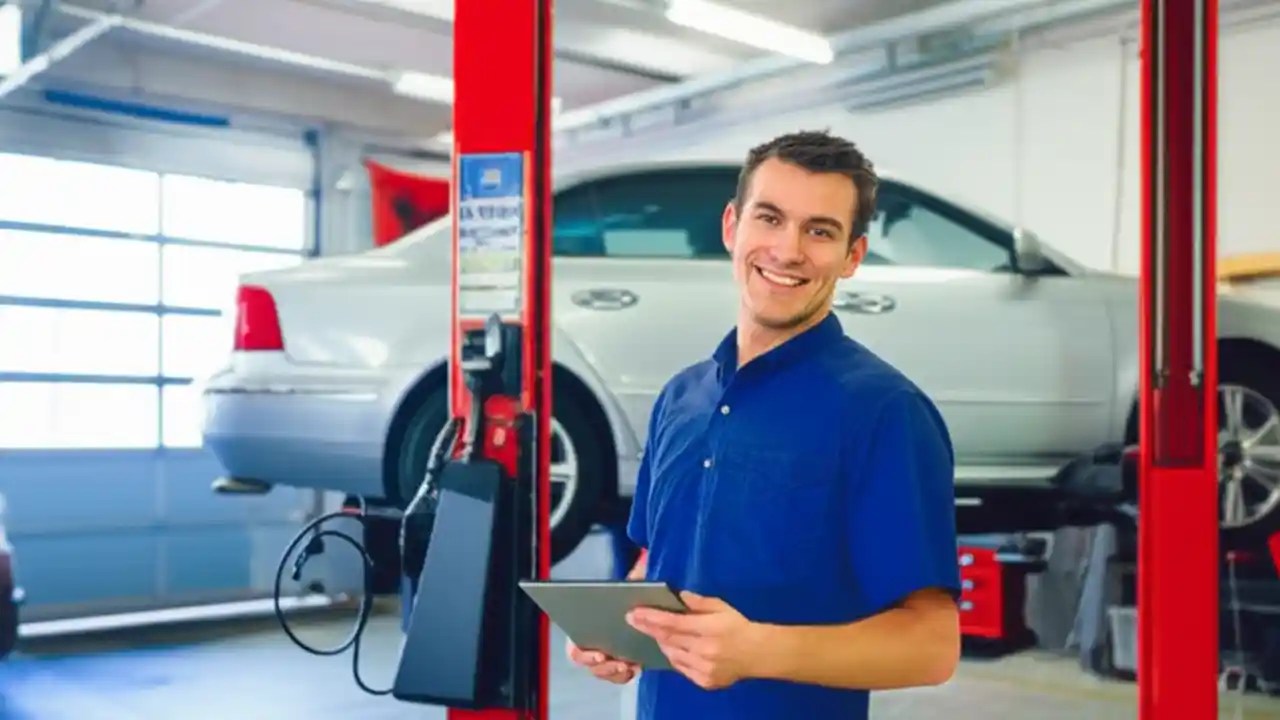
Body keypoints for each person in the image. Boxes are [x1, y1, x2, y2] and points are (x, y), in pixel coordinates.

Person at [567, 130, 962, 719]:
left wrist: (759, 651)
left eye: (820, 230)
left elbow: (932, 646)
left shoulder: (884, 412)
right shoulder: (681, 398)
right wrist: (623, 631)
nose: (788, 250)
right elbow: (657, 563)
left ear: (853, 256)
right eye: (770, 218)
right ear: (732, 227)